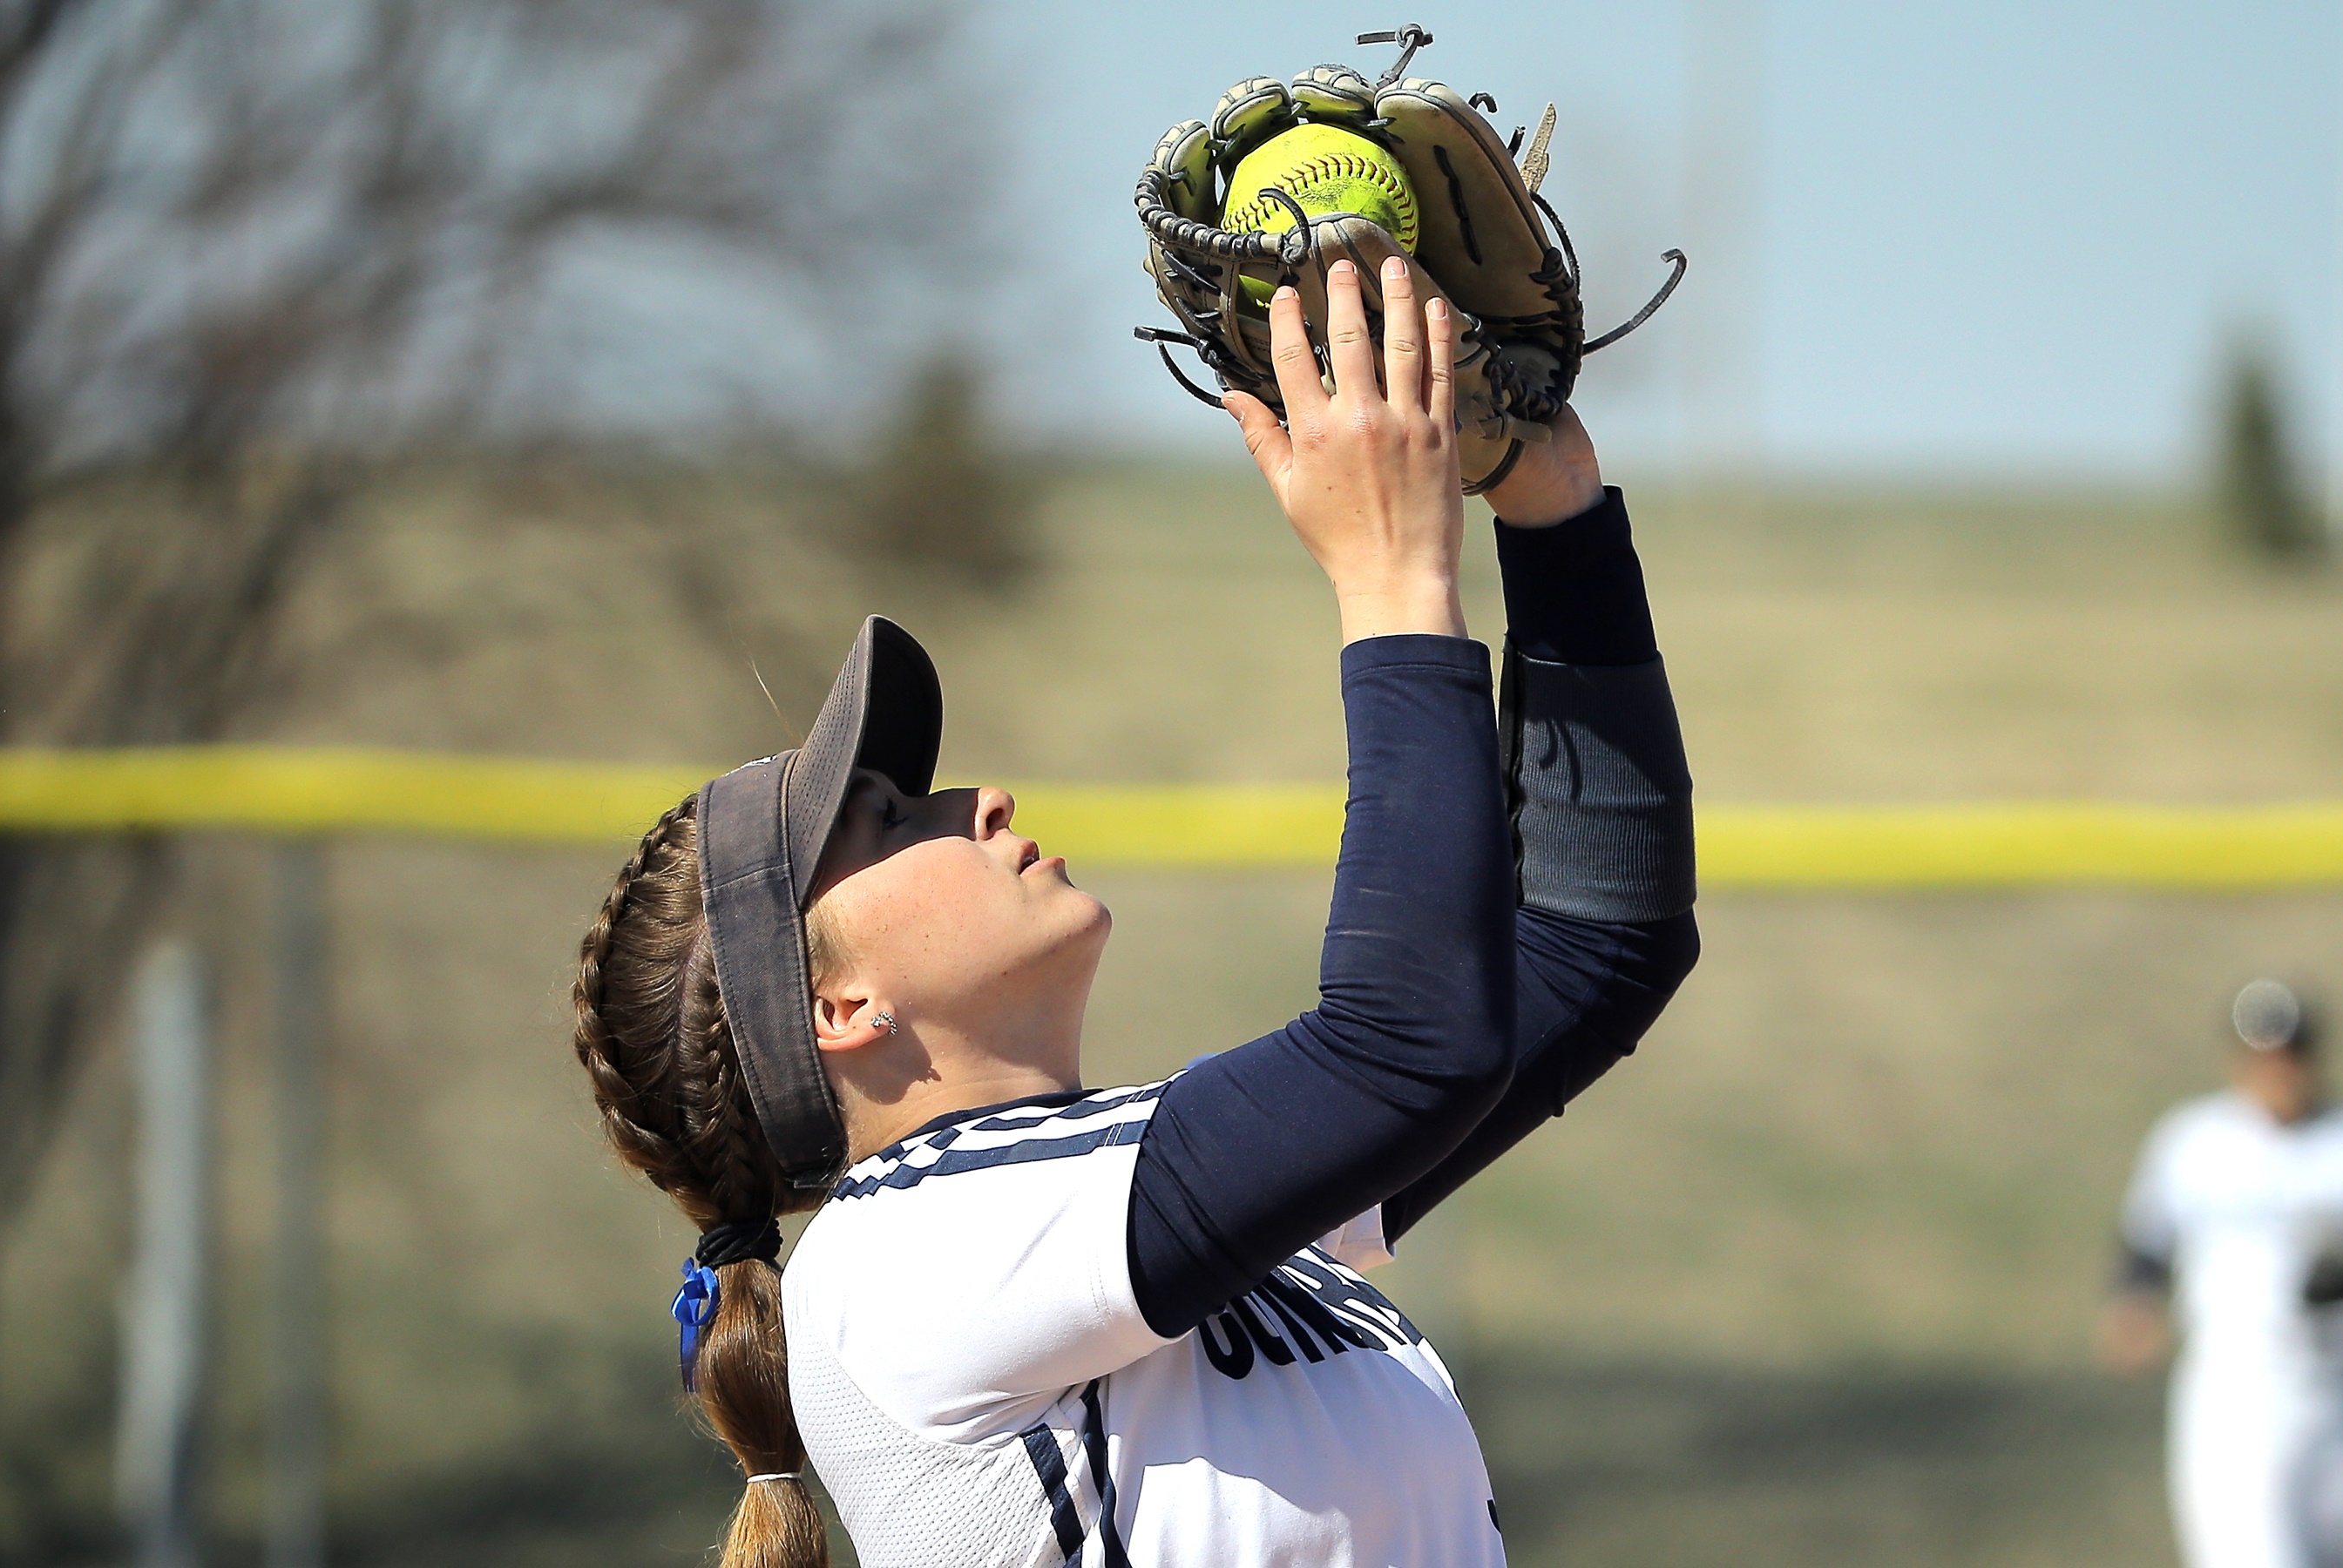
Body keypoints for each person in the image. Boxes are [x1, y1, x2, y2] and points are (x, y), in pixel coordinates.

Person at [568, 253, 1697, 1567]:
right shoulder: (896, 1271)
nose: (975, 799)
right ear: (839, 1006)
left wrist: (1556, 519)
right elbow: (1412, 1045)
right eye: (885, 819)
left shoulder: (1104, 1208)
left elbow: (1596, 941)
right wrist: (1393, 582)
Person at [2100, 980, 2343, 1568]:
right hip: (2241, 1388)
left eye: (2291, 1054)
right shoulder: (2196, 1141)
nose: (2278, 1070)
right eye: (2262, 1054)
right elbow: (2146, 1241)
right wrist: (2133, 1307)